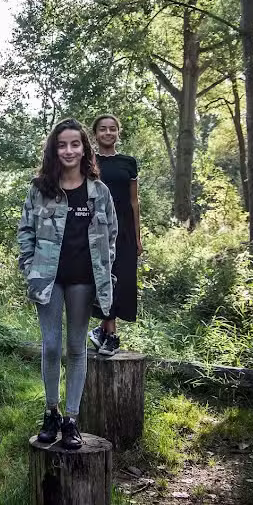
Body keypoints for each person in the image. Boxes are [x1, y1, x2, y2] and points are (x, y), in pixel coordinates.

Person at [17, 118, 117, 450]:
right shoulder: (39, 188)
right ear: (54, 149)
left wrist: (104, 268)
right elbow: (25, 232)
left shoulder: (98, 192)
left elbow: (111, 235)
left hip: (84, 280)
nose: (69, 150)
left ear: (84, 149)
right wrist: (29, 266)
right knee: (51, 346)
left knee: (76, 347)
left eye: (75, 144)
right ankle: (51, 412)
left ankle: (71, 420)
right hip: (48, 279)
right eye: (62, 144)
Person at [88, 114, 141, 356]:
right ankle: (109, 336)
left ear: (118, 133)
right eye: (102, 129)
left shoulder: (129, 162)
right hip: (98, 228)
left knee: (123, 279)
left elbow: (134, 201)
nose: (108, 133)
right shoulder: (88, 161)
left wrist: (138, 238)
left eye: (112, 129)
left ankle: (104, 332)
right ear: (95, 134)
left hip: (125, 229)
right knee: (104, 278)